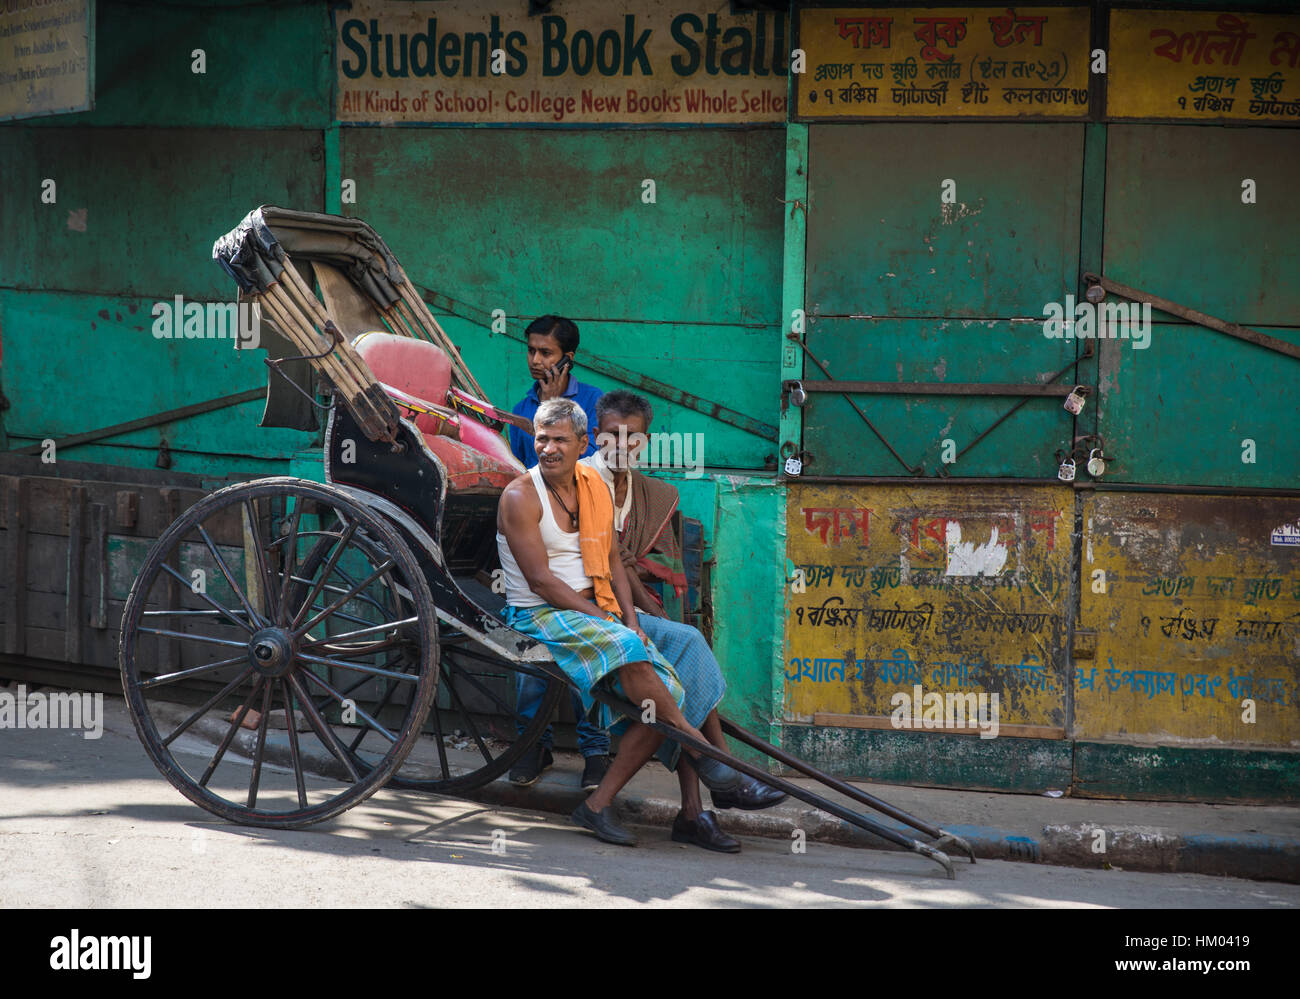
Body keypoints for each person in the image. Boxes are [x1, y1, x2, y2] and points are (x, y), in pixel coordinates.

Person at [496, 399, 761, 851]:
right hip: (543, 613)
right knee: (639, 662)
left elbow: (614, 561)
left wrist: (633, 619)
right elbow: (540, 582)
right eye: (542, 438)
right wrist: (614, 624)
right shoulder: (521, 496)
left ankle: (604, 807)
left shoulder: (592, 487)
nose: (548, 448)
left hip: (595, 607)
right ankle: (706, 755)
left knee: (687, 642)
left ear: (582, 443)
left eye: (560, 439)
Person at [582, 391, 786, 813]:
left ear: (646, 439)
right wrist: (636, 609)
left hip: (624, 606)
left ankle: (701, 803)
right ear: (595, 436)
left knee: (688, 655)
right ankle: (719, 778)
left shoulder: (637, 489)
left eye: (632, 437)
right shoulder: (586, 482)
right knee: (689, 649)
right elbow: (607, 559)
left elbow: (622, 559)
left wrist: (645, 607)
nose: (622, 447)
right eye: (612, 437)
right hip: (592, 606)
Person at [505, 315, 609, 789]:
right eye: (531, 351)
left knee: (593, 656)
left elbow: (601, 471)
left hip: (584, 538)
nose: (535, 360)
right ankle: (533, 745)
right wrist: (541, 410)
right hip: (536, 539)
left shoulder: (593, 407)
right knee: (534, 655)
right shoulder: (520, 410)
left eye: (545, 353)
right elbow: (520, 475)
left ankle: (596, 752)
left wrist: (555, 407)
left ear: (569, 357)